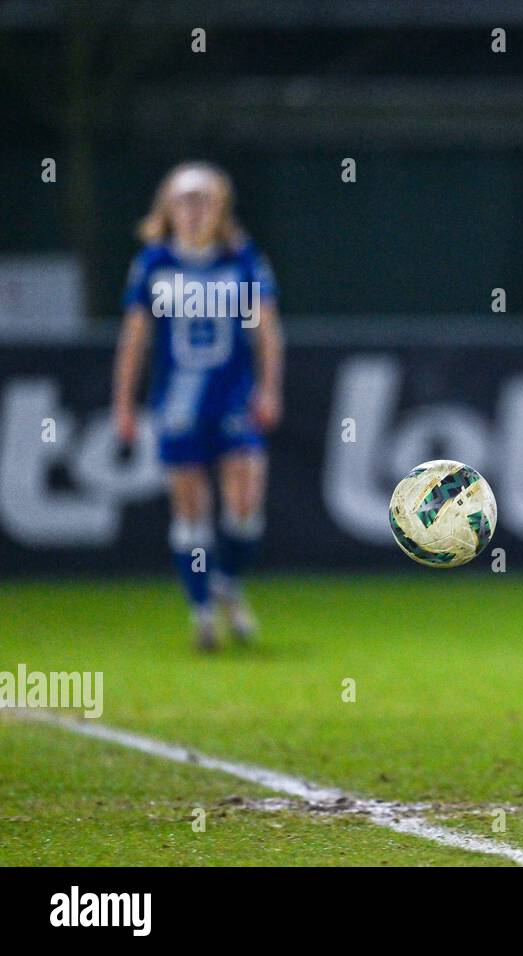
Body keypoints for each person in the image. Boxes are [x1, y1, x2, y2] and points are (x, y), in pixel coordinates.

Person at [112, 162, 283, 651]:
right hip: (177, 404)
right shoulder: (153, 264)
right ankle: (202, 610)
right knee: (191, 514)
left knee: (245, 507)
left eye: (204, 198)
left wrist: (270, 388)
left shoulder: (242, 260)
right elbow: (134, 339)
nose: (194, 209)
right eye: (184, 199)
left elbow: (266, 331)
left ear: (221, 206)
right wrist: (124, 402)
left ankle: (226, 582)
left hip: (232, 398)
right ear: (168, 206)